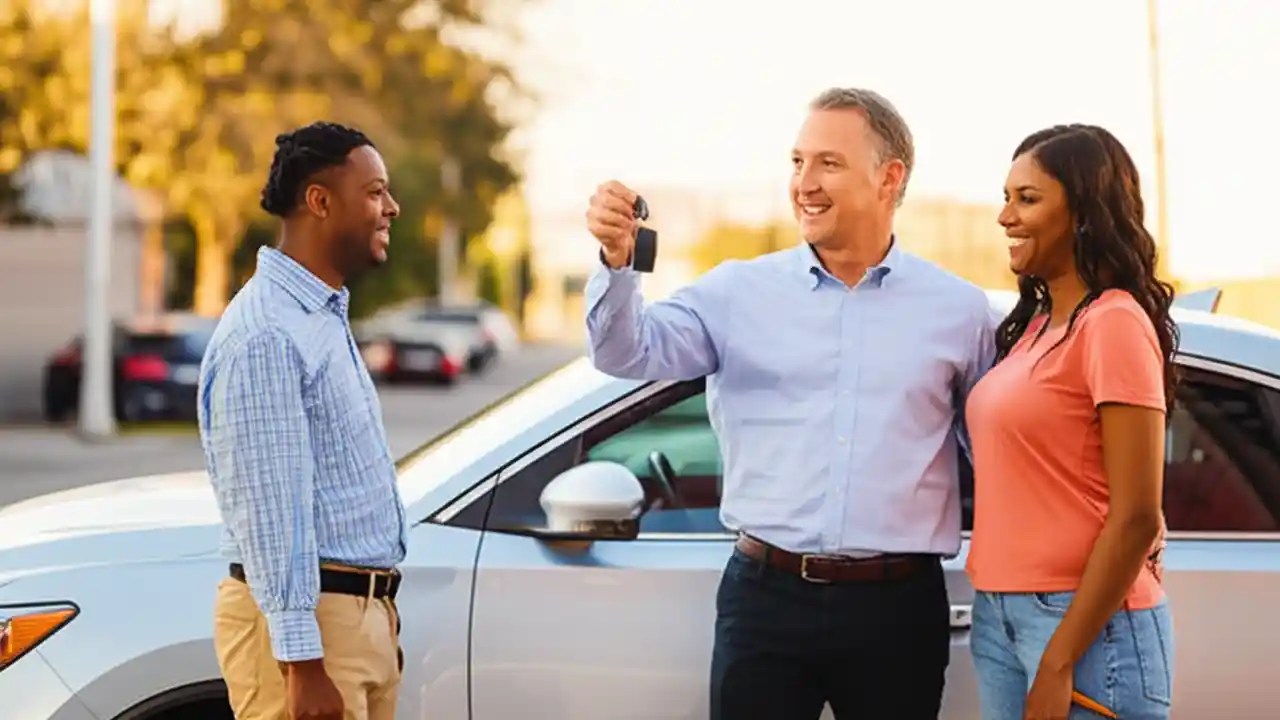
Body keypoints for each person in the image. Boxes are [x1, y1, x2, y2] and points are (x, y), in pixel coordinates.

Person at [584, 87, 996, 719]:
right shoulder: (736, 292)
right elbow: (625, 352)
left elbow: (997, 453)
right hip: (764, 601)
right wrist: (617, 264)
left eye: (828, 163)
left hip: (898, 611)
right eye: (798, 162)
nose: (805, 182)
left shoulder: (960, 313)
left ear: (890, 178)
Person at [964, 124, 1178, 720]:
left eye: (1027, 198)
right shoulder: (1033, 329)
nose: (1005, 216)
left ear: (1083, 212)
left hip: (1086, 629)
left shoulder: (1113, 322)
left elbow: (1137, 516)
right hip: (1001, 615)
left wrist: (1059, 660)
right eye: (1006, 197)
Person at [198, 121, 407, 720]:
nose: (390, 208)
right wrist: (304, 665)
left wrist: (376, 618)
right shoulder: (267, 332)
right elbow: (270, 508)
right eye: (374, 192)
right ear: (319, 201)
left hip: (352, 623)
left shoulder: (318, 315)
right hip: (306, 636)